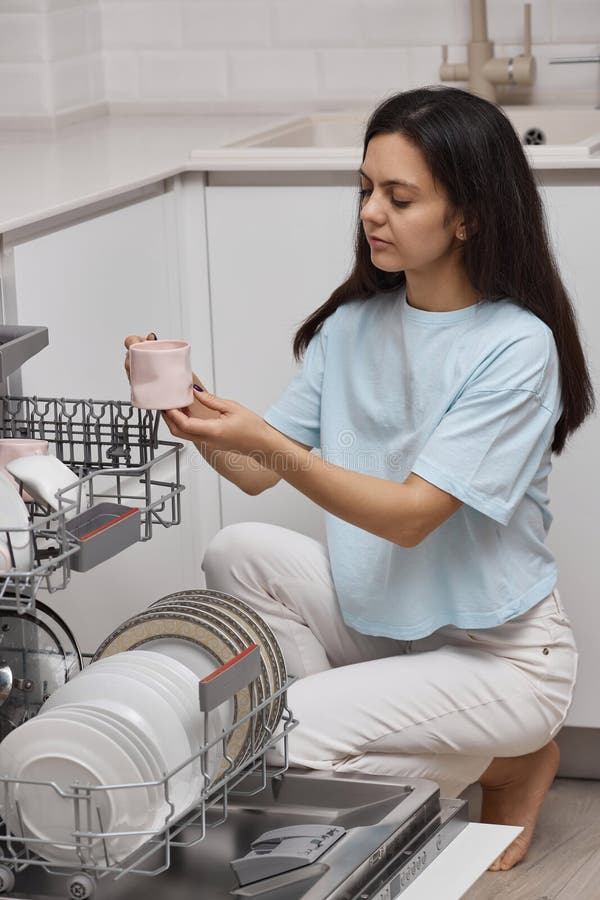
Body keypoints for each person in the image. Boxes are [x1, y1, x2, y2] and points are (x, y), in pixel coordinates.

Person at [124, 85, 595, 873]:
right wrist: (195, 410)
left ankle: (503, 755)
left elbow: (413, 516)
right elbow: (252, 472)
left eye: (400, 197)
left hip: (503, 659)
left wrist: (269, 446)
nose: (372, 212)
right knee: (238, 551)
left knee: (285, 735)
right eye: (366, 190)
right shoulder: (354, 326)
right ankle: (362, 748)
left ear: (468, 215)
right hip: (393, 631)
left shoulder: (515, 347)